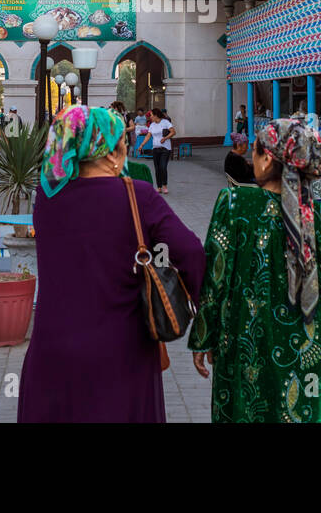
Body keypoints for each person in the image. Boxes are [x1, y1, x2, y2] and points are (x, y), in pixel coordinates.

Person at [17, 106, 204, 422]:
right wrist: (197, 313)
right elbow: (192, 253)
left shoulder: (46, 199)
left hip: (53, 352)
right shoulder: (138, 196)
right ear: (112, 151)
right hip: (123, 353)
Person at [190, 117, 321, 422]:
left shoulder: (235, 202)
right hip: (310, 350)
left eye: (254, 151)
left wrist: (204, 336)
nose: (251, 158)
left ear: (267, 158)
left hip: (246, 344)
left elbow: (215, 278)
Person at [146, 107, 176, 194]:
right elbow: (148, 136)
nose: (150, 117)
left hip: (165, 149)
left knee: (163, 167)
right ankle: (159, 187)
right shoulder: (152, 125)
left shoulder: (165, 122)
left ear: (155, 115)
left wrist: (165, 138)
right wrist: (142, 144)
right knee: (157, 169)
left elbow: (173, 132)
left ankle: (165, 186)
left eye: (151, 115)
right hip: (155, 149)